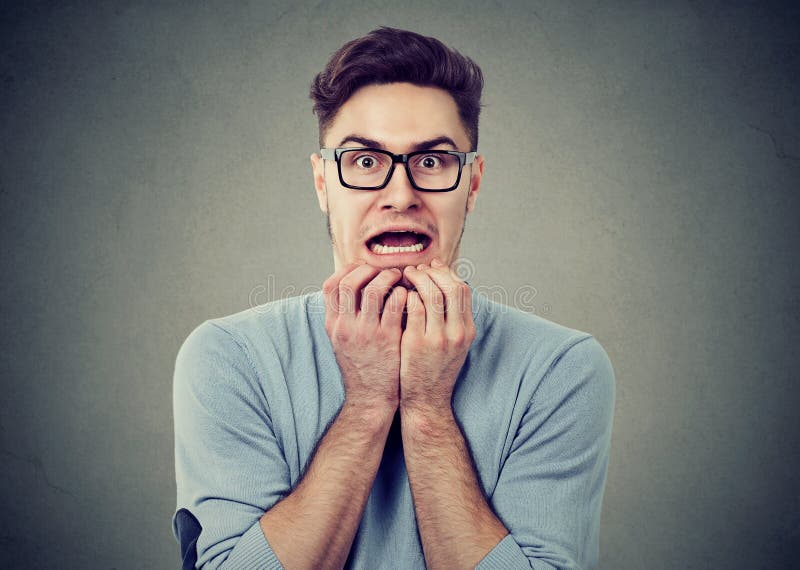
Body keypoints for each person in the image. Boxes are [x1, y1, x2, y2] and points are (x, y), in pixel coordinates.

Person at [172, 27, 615, 570]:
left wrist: (427, 409)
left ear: (471, 184)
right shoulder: (227, 357)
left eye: (432, 162)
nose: (401, 195)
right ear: (321, 183)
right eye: (363, 162)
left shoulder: (561, 369)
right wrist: (366, 406)